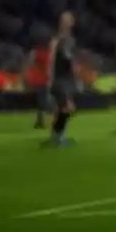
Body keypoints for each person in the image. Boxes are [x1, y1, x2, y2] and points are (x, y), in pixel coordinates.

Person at [45, 11, 79, 147]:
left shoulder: (71, 40)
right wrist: (49, 77)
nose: (66, 22)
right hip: (59, 79)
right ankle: (58, 137)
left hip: (68, 79)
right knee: (67, 108)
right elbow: (51, 59)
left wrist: (76, 77)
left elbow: (73, 61)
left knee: (63, 109)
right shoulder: (56, 40)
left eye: (69, 20)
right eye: (64, 20)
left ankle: (57, 136)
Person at [21, 37, 52, 129]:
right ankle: (46, 119)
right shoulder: (47, 53)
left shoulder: (36, 52)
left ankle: (40, 121)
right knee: (43, 100)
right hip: (42, 79)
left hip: (39, 79)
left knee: (40, 101)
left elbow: (28, 63)